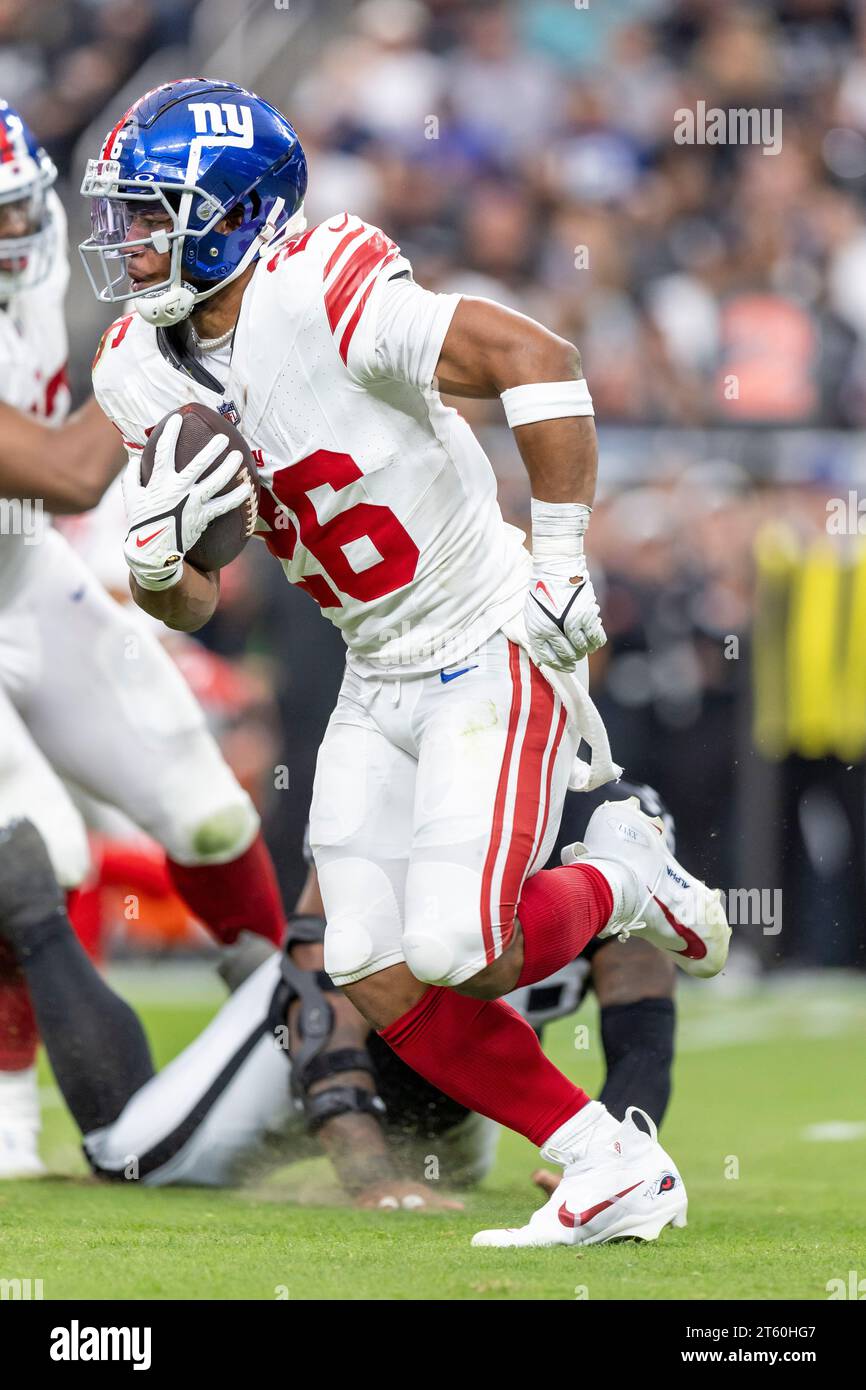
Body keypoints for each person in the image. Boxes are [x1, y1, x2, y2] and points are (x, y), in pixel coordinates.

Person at [81, 77, 729, 1247]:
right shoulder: (137, 366)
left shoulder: (316, 288)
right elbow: (191, 599)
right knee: (372, 963)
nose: (125, 240)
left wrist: (562, 557)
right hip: (370, 667)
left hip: (486, 632)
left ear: (228, 213)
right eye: (121, 213)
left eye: (148, 211)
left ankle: (626, 871)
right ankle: (605, 1162)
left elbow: (535, 355)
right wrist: (158, 559)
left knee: (456, 945)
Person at [0, 100, 286, 1178]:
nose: (18, 234)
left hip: (23, 568)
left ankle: (296, 1032)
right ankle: (14, 1122)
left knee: (206, 809)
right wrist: (167, 343)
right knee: (38, 852)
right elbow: (76, 471)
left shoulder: (25, 272)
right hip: (21, 541)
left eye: (16, 208)